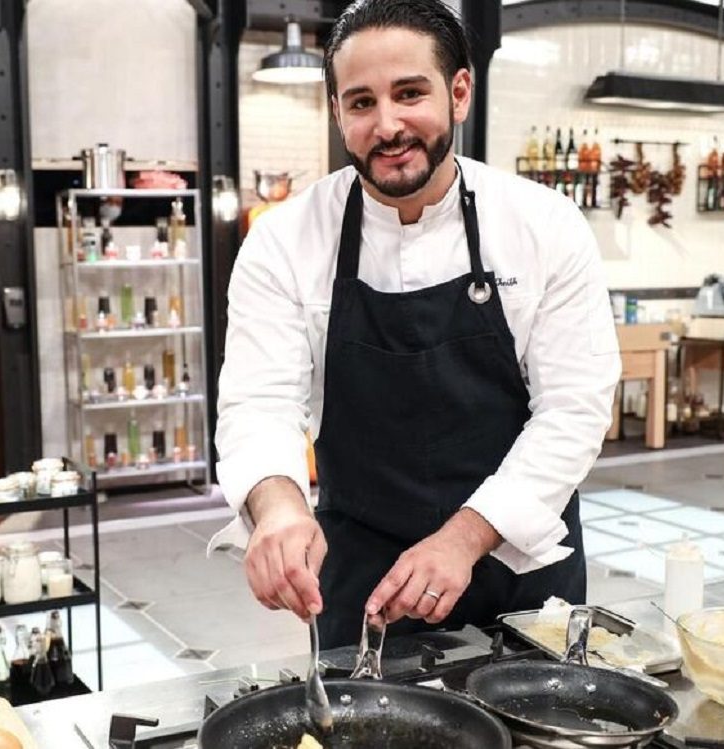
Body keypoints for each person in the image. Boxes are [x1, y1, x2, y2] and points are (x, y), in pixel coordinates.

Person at [210, 0, 620, 648]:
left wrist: (463, 538)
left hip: (517, 565)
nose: (388, 124)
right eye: (362, 102)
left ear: (459, 92)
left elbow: (575, 408)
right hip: (367, 580)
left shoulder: (542, 225)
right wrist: (278, 502)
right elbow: (257, 401)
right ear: (339, 111)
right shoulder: (285, 241)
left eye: (409, 94)